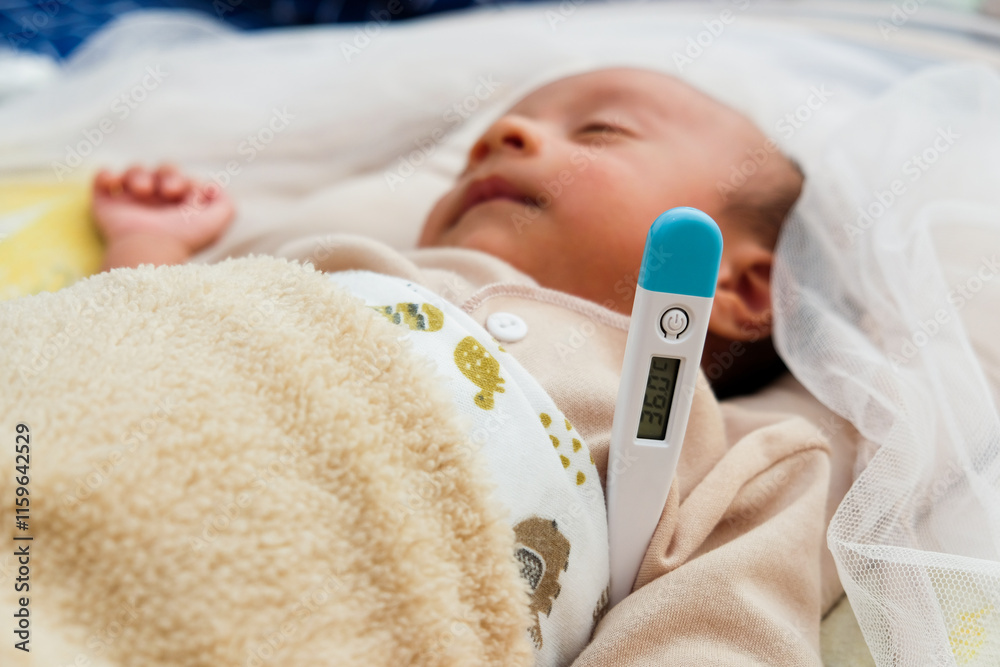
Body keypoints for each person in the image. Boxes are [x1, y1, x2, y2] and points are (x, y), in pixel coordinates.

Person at [91, 67, 833, 665]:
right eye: (481, 145)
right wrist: (149, 241)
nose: (504, 135)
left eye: (600, 131)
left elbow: (716, 632)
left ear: (739, 284)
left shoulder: (725, 460)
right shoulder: (337, 266)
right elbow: (150, 322)